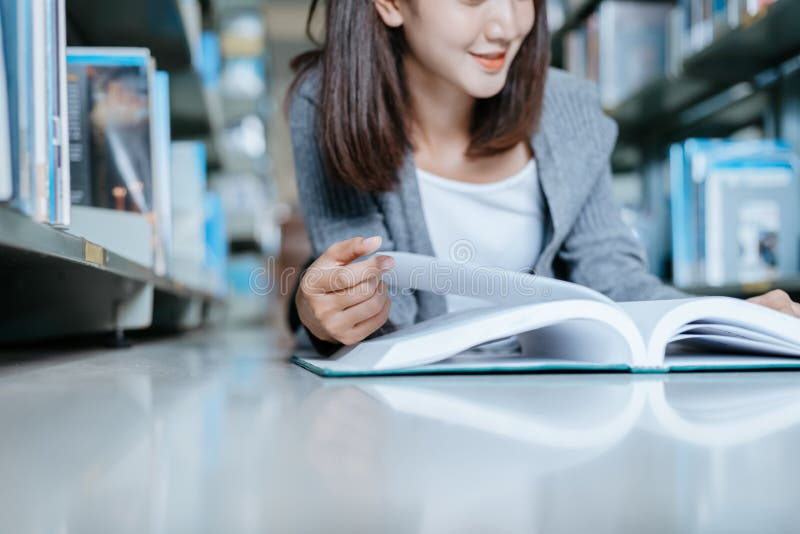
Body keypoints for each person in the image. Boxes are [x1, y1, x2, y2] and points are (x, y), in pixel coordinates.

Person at [285, 0, 800, 356]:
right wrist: (325, 316)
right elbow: (372, 301)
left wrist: (726, 317)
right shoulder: (327, 103)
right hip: (405, 421)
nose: (507, 25)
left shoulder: (570, 107)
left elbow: (615, 277)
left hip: (553, 408)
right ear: (391, 4)